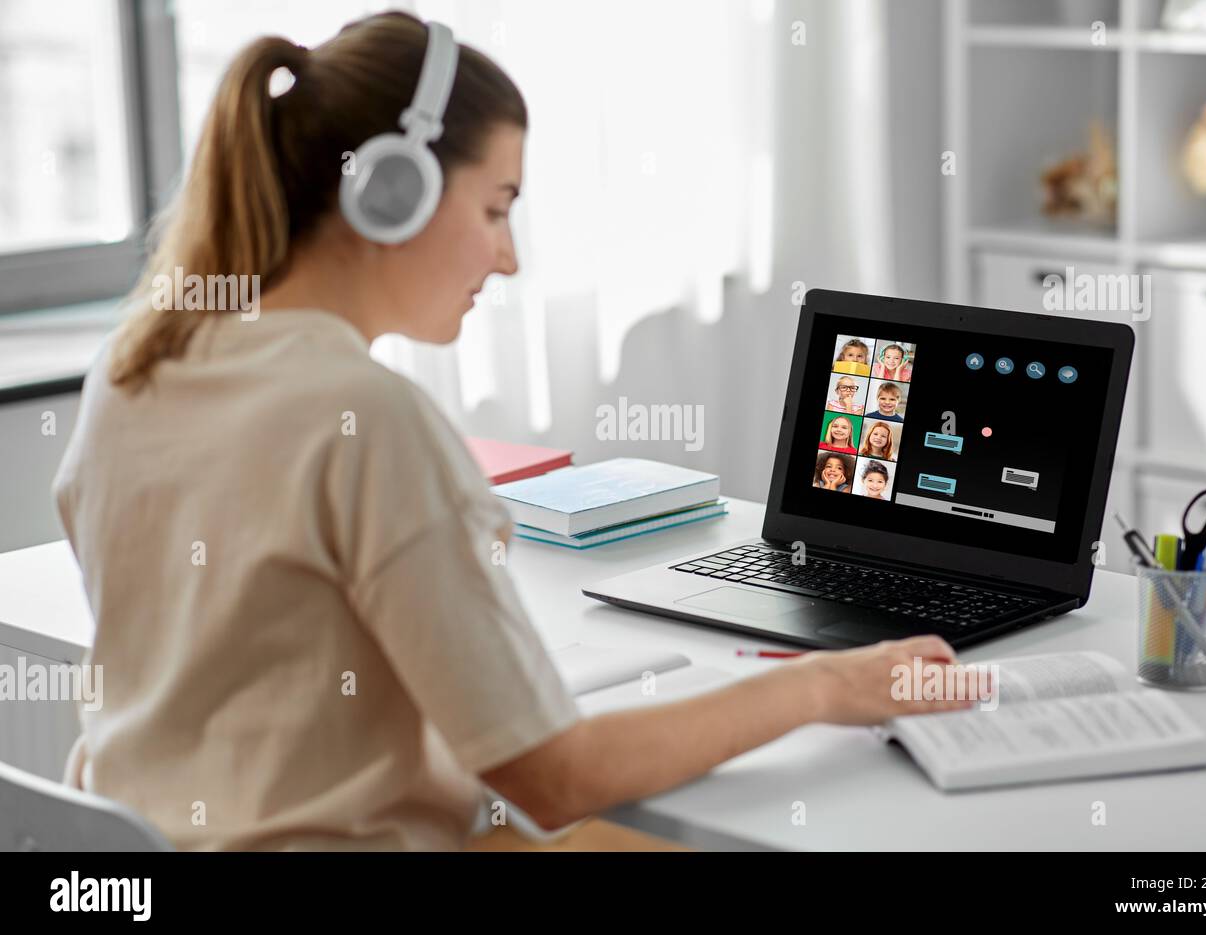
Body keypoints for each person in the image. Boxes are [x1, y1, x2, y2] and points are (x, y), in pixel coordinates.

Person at [51, 11, 971, 852]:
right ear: (393, 191)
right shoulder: (368, 420)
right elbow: (553, 774)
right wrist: (825, 686)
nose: (510, 254)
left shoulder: (133, 370)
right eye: (495, 206)